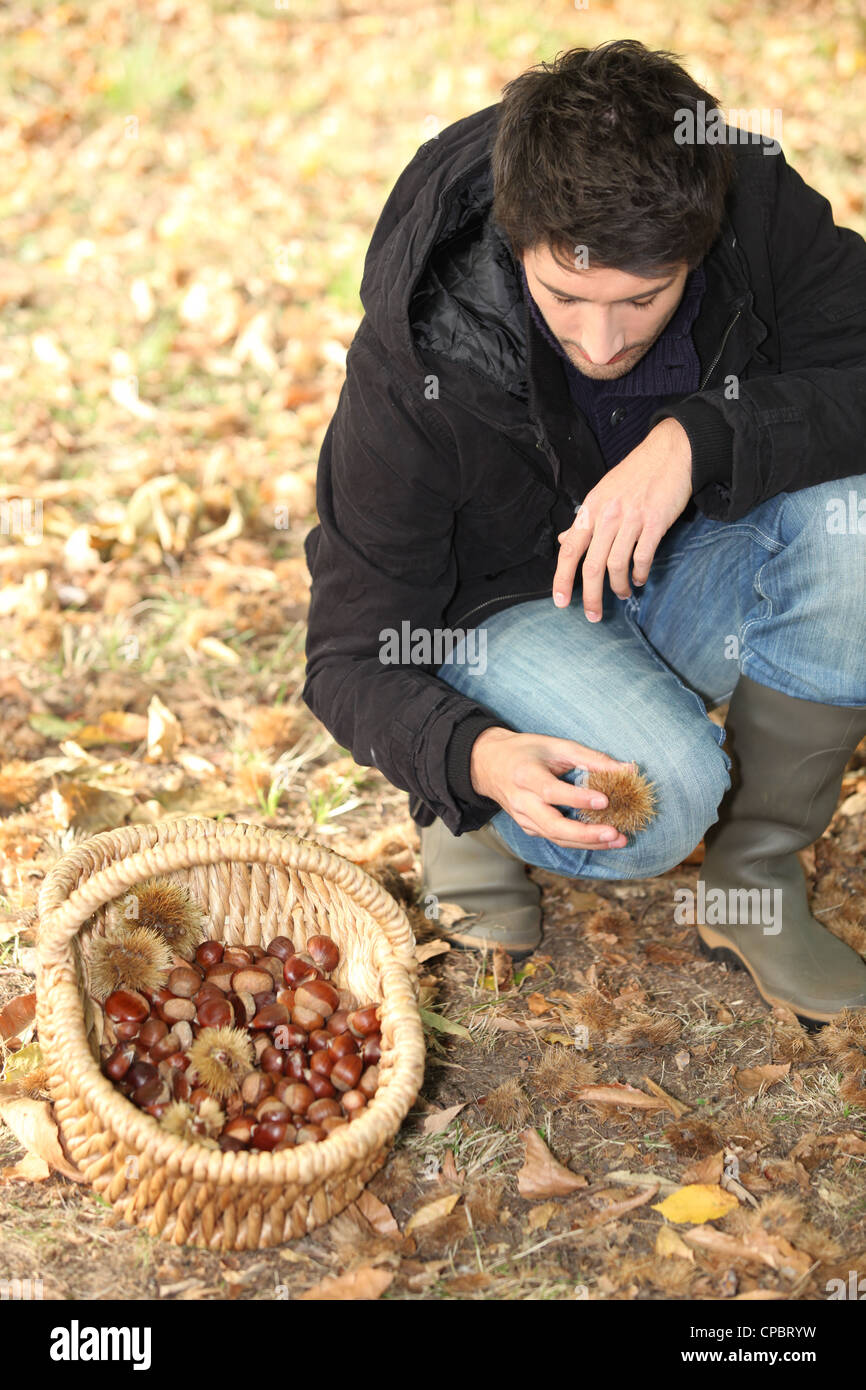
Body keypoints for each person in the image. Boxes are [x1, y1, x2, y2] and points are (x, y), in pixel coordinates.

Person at [301, 40, 866, 1025]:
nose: (600, 344)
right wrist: (473, 757)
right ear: (517, 240)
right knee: (658, 799)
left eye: (642, 301)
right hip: (506, 611)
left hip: (687, 553)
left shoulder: (748, 206)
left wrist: (698, 437)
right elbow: (347, 653)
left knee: (853, 519)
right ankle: (466, 817)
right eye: (565, 298)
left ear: (697, 240)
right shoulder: (420, 348)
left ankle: (755, 878)